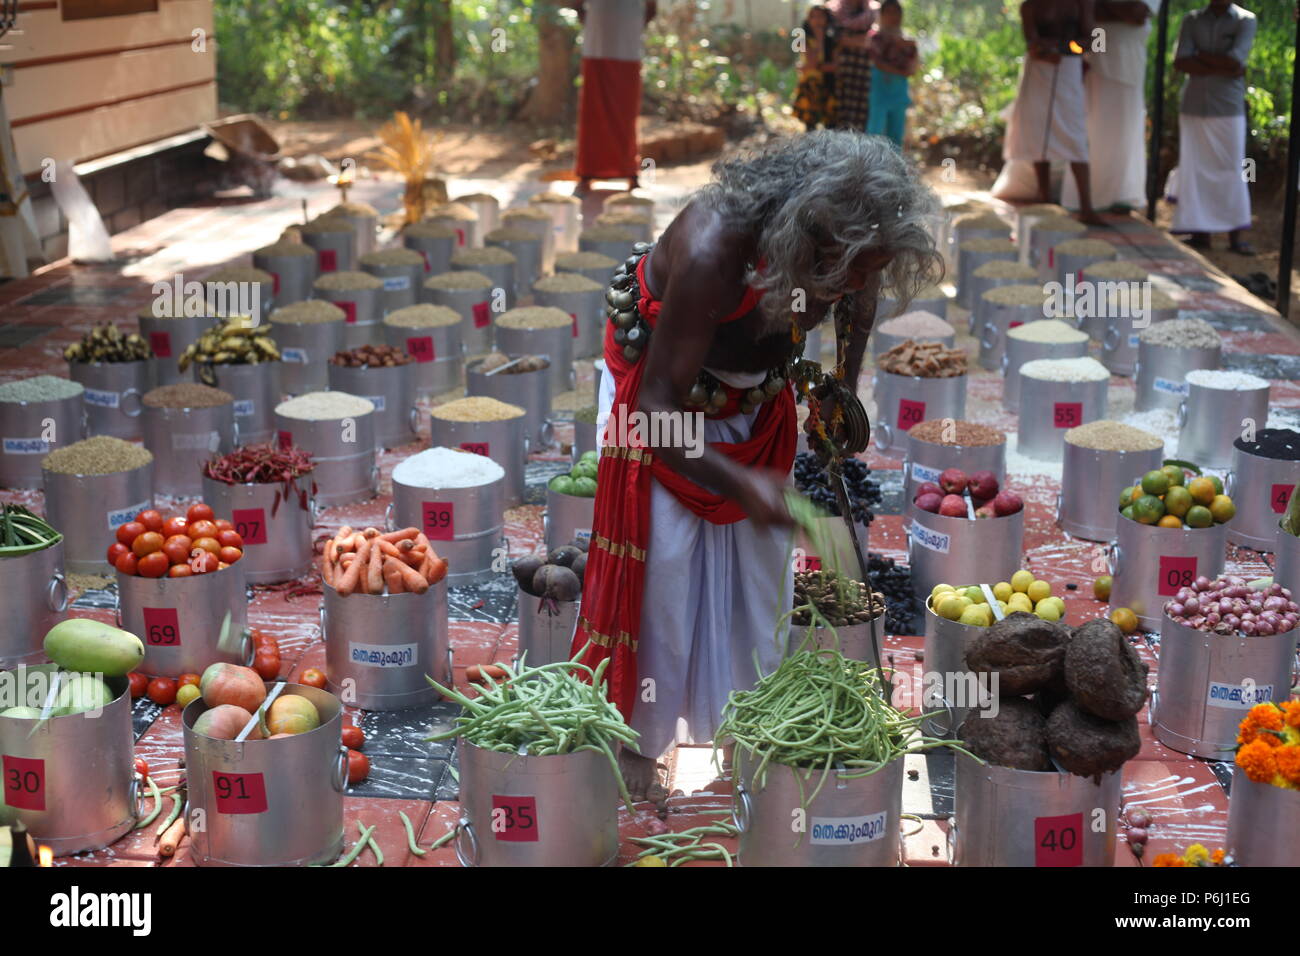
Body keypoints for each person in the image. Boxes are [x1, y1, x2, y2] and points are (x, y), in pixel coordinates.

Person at [572, 132, 943, 801]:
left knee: (758, 581)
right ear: (809, 241)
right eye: (849, 269)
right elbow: (655, 409)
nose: (860, 285)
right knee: (666, 574)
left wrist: (842, 388)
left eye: (871, 270)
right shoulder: (718, 250)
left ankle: (752, 742)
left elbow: (859, 303)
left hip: (757, 402)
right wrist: (741, 482)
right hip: (662, 404)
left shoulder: (849, 256)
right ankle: (636, 755)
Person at [1002, 0, 1105, 225]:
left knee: (1075, 136)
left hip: (1069, 71)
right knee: (1039, 132)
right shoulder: (1031, 6)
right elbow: (1031, 42)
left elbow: (1091, 42)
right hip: (1037, 72)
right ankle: (1044, 198)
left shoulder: (1082, 4)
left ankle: (1086, 207)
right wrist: (1043, 51)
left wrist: (1064, 49)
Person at [1170, 1, 1257, 254]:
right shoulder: (1192, 20)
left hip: (1228, 106)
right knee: (1195, 167)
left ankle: (1236, 236)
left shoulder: (1245, 20)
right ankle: (1200, 232)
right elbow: (1181, 61)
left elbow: (1235, 61)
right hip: (1194, 104)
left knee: (1232, 167)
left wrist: (1200, 57)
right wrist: (1222, 65)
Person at [1061, 0, 1160, 212]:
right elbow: (1090, 12)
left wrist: (1105, 6)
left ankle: (1120, 194)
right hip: (1096, 59)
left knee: (1124, 128)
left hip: (1129, 64)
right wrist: (1116, 10)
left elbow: (1137, 14)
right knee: (1091, 127)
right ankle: (1087, 196)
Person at [572, 0, 657, 197]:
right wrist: (595, 24)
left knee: (626, 114)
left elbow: (652, 9)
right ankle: (587, 171)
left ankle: (629, 171)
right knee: (592, 112)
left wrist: (631, 27)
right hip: (596, 45)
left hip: (627, 48)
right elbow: (577, 5)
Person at [867, 0, 919, 147]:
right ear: (882, 15)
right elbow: (878, 62)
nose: (893, 16)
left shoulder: (908, 40)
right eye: (888, 12)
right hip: (880, 91)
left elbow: (913, 67)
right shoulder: (875, 37)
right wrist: (900, 71)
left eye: (896, 12)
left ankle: (893, 167)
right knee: (874, 133)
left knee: (896, 135)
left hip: (899, 92)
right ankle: (869, 167)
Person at [829, 0, 877, 131]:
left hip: (864, 70)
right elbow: (836, 38)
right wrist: (860, 41)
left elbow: (873, 41)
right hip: (842, 68)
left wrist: (849, 40)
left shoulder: (873, 11)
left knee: (861, 110)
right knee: (841, 109)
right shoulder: (834, 10)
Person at [792, 5, 838, 131]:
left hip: (828, 86)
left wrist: (811, 67)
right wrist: (819, 39)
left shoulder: (832, 40)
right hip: (810, 87)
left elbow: (835, 66)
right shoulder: (801, 39)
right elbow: (812, 61)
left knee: (831, 127)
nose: (817, 20)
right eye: (814, 17)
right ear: (808, 19)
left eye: (821, 16)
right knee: (810, 127)